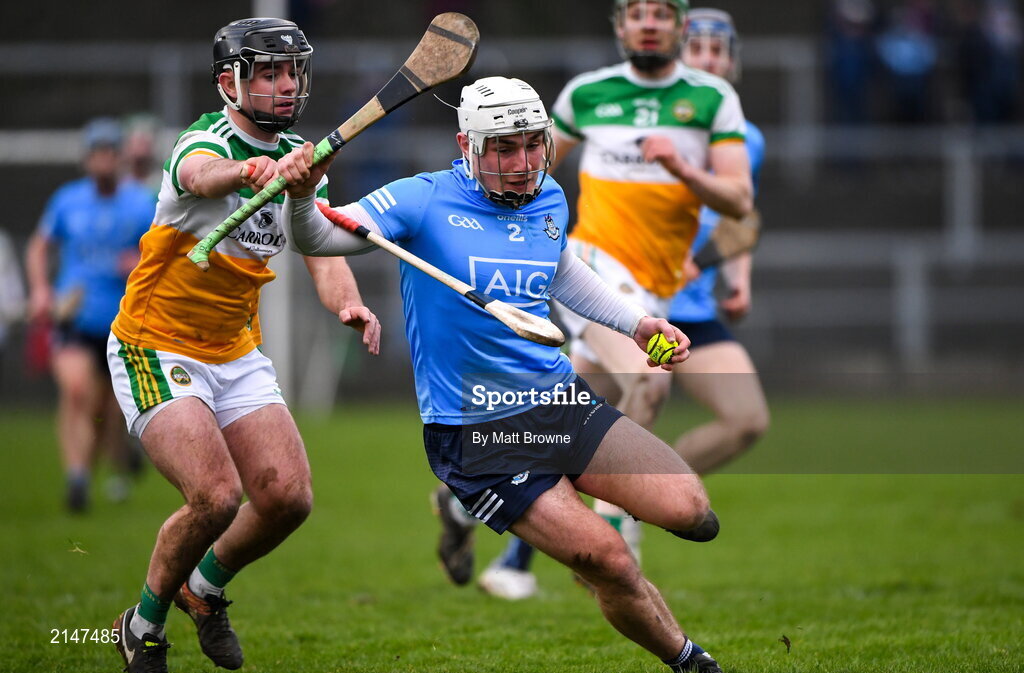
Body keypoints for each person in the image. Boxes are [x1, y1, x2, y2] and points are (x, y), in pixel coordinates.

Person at [279, 74, 726, 673]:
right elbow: (317, 236)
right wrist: (303, 196)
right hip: (477, 433)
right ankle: (691, 661)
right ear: (466, 145)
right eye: (503, 148)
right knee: (610, 561)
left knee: (692, 513)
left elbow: (561, 271)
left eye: (532, 144)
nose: (521, 162)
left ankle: (477, 512)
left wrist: (637, 324)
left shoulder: (547, 198)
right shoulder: (422, 199)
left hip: (559, 401)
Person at [108, 18, 381, 673]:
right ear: (230, 79)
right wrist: (248, 171)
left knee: (288, 496)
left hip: (233, 349)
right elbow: (200, 174)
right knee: (216, 496)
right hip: (156, 346)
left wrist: (348, 300)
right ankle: (141, 624)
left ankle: (202, 589)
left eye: (292, 71)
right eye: (268, 72)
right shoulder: (204, 141)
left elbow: (316, 244)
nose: (285, 85)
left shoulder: (299, 156)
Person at [477, 0, 754, 599]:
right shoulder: (586, 95)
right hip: (595, 270)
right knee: (649, 379)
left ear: (679, 25)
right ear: (619, 25)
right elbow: (530, 172)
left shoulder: (712, 100)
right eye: (636, 12)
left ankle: (468, 506)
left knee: (557, 418)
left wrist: (682, 167)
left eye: (661, 13)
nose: (648, 23)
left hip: (659, 285)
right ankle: (612, 526)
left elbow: (738, 202)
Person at [24, 117, 156, 513]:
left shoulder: (140, 203)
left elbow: (164, 254)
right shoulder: (67, 200)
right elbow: (38, 247)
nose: (103, 160)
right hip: (75, 318)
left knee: (106, 410)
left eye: (110, 153)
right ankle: (77, 478)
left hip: (121, 322)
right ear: (87, 159)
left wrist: (138, 260)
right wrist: (42, 290)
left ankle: (113, 459)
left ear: (119, 158)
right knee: (77, 392)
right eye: (96, 153)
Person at [666, 8, 770, 477]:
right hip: (624, 305)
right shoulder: (645, 126)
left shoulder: (748, 140)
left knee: (747, 419)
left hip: (689, 311)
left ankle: (639, 501)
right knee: (578, 429)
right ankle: (504, 543)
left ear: (732, 63)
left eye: (717, 51)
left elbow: (739, 220)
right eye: (696, 49)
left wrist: (738, 281)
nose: (708, 60)